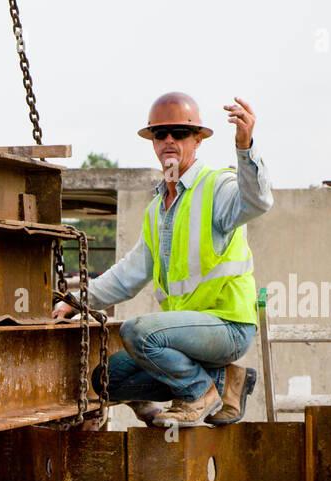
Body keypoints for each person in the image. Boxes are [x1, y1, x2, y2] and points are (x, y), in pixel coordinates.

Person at [54, 92, 273, 426]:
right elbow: (128, 275)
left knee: (138, 332)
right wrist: (75, 301)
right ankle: (223, 382)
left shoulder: (217, 186)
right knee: (105, 379)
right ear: (153, 142)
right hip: (186, 337)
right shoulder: (157, 209)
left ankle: (200, 394)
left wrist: (245, 147)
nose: (169, 140)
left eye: (180, 133)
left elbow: (256, 202)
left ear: (198, 140)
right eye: (160, 134)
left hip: (227, 327)